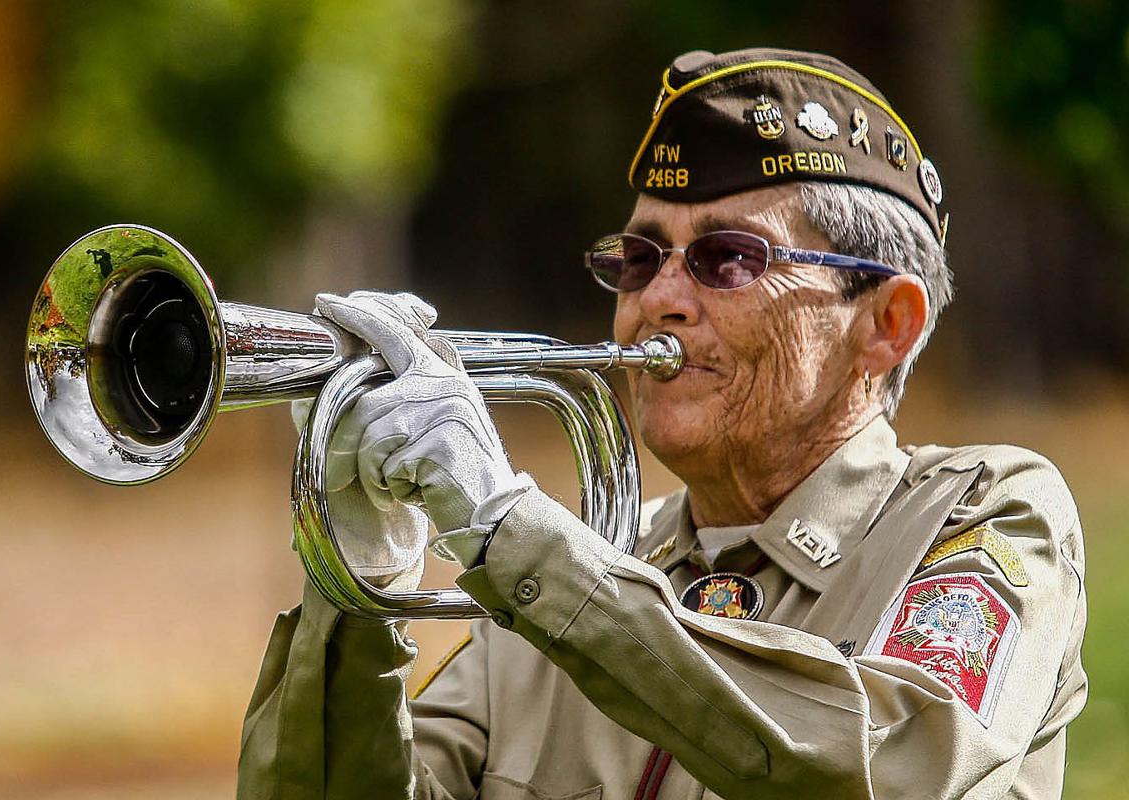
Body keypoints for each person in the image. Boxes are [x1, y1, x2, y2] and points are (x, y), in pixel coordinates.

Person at [237, 48, 1087, 799]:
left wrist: (514, 534)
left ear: (884, 323)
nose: (658, 302)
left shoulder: (986, 512)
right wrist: (354, 580)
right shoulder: (570, 562)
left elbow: (894, 772)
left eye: (729, 259)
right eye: (639, 259)